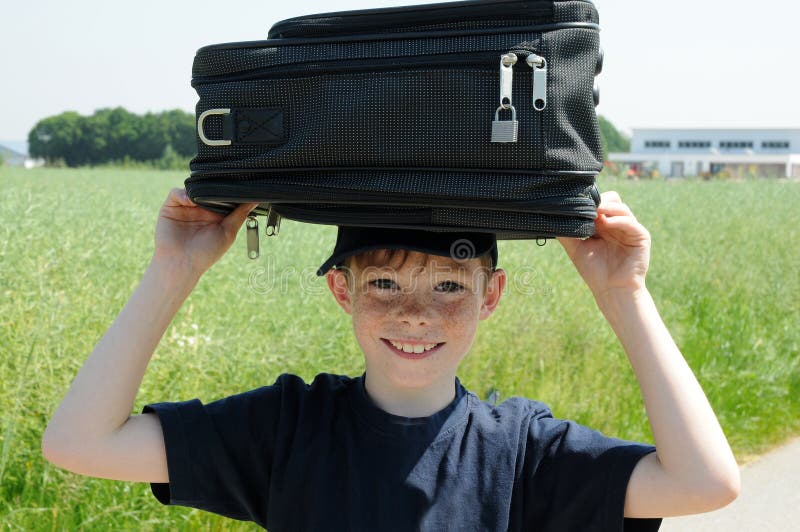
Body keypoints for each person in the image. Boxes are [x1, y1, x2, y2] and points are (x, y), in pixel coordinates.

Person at [41, 187, 740, 531]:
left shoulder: (522, 454)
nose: (415, 313)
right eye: (383, 284)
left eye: (448, 287)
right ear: (341, 290)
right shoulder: (286, 429)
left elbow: (703, 482)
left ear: (491, 295)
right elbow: (79, 443)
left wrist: (623, 293)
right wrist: (174, 268)